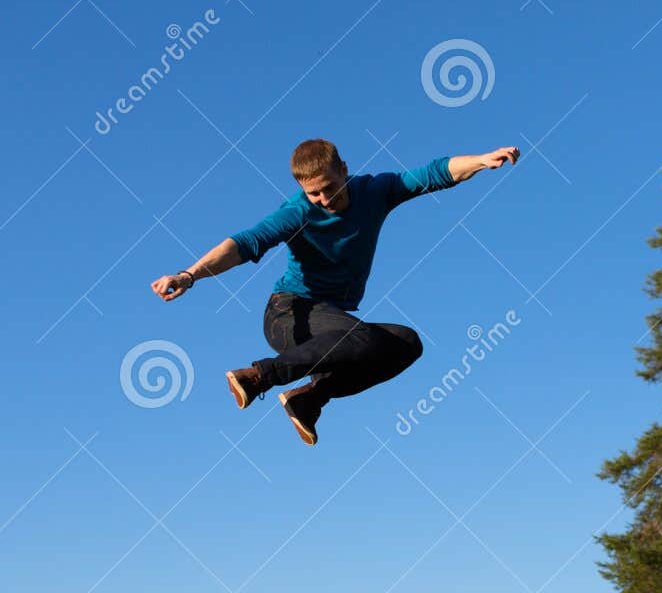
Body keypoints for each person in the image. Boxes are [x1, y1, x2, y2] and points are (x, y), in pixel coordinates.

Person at [149, 138, 519, 445]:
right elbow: (245, 242)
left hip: (330, 324)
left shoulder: (375, 191)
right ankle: (259, 375)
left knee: (406, 343)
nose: (324, 200)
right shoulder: (298, 212)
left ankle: (310, 398)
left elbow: (433, 174)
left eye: (329, 187)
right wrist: (189, 274)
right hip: (287, 314)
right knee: (359, 336)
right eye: (313, 194)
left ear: (344, 168)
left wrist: (482, 161)